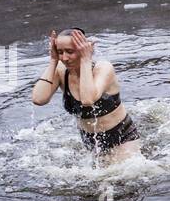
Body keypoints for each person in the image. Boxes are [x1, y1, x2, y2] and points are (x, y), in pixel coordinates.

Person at [31, 28, 141, 162]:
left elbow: (88, 99)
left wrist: (85, 59)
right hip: (90, 140)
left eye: (70, 52)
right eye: (60, 52)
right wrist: (54, 61)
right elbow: (38, 99)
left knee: (118, 179)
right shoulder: (61, 71)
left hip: (122, 137)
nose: (65, 58)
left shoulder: (103, 68)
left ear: (84, 50)